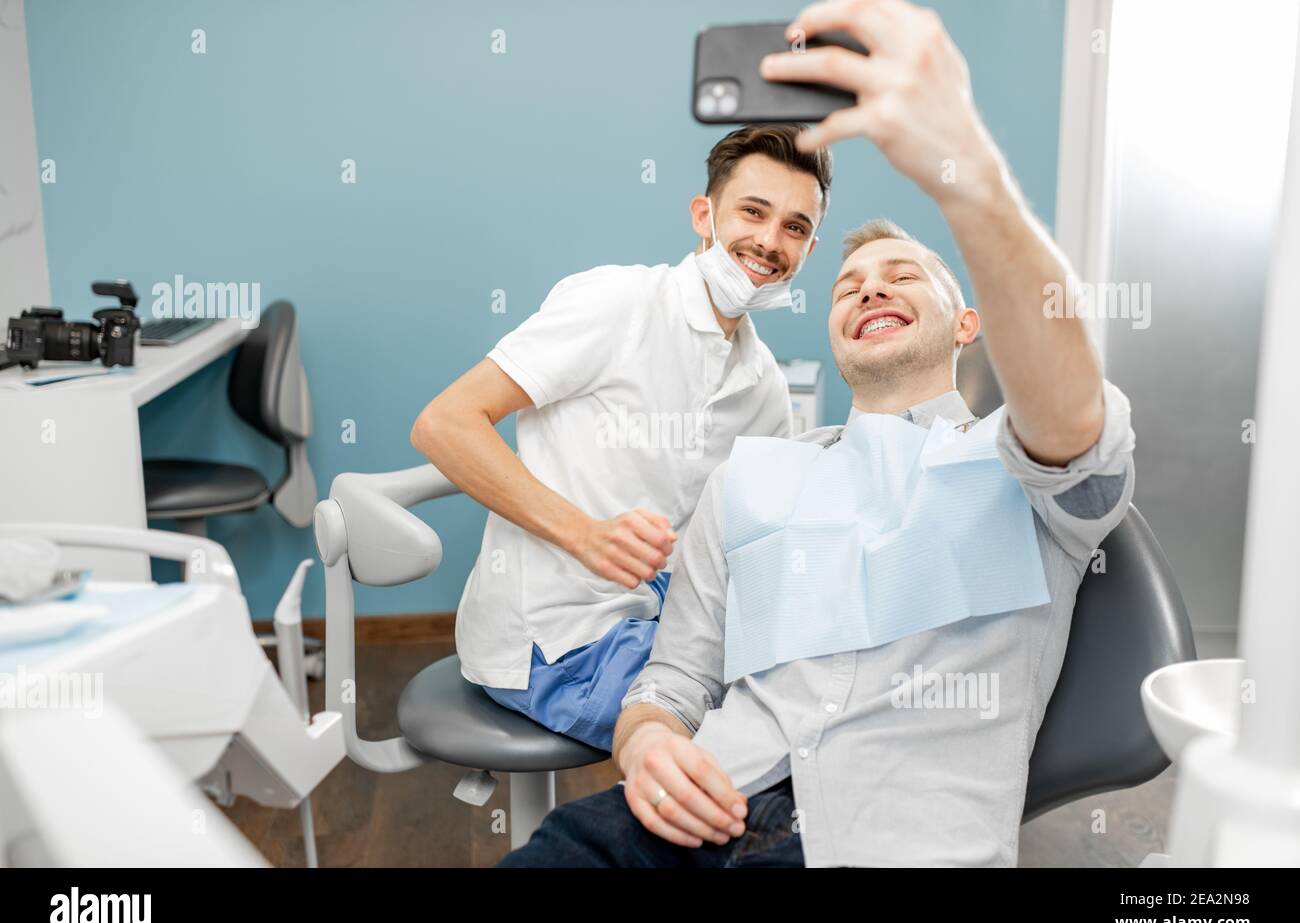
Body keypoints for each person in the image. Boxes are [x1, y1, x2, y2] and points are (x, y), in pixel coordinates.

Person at [499, 0, 1135, 867]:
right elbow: (676, 678)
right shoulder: (752, 480)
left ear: (967, 324)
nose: (869, 289)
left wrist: (965, 172)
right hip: (683, 821)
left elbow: (1070, 411)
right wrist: (645, 741)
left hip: (896, 843)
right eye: (848, 286)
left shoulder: (1022, 470)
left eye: (902, 275)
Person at [410, 125, 833, 751]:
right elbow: (443, 424)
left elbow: (750, 541)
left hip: (658, 621)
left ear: (809, 249)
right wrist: (585, 534)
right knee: (771, 735)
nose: (770, 241)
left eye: (794, 228)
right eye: (753, 211)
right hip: (556, 643)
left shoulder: (762, 385)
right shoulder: (617, 303)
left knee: (826, 681)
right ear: (704, 214)